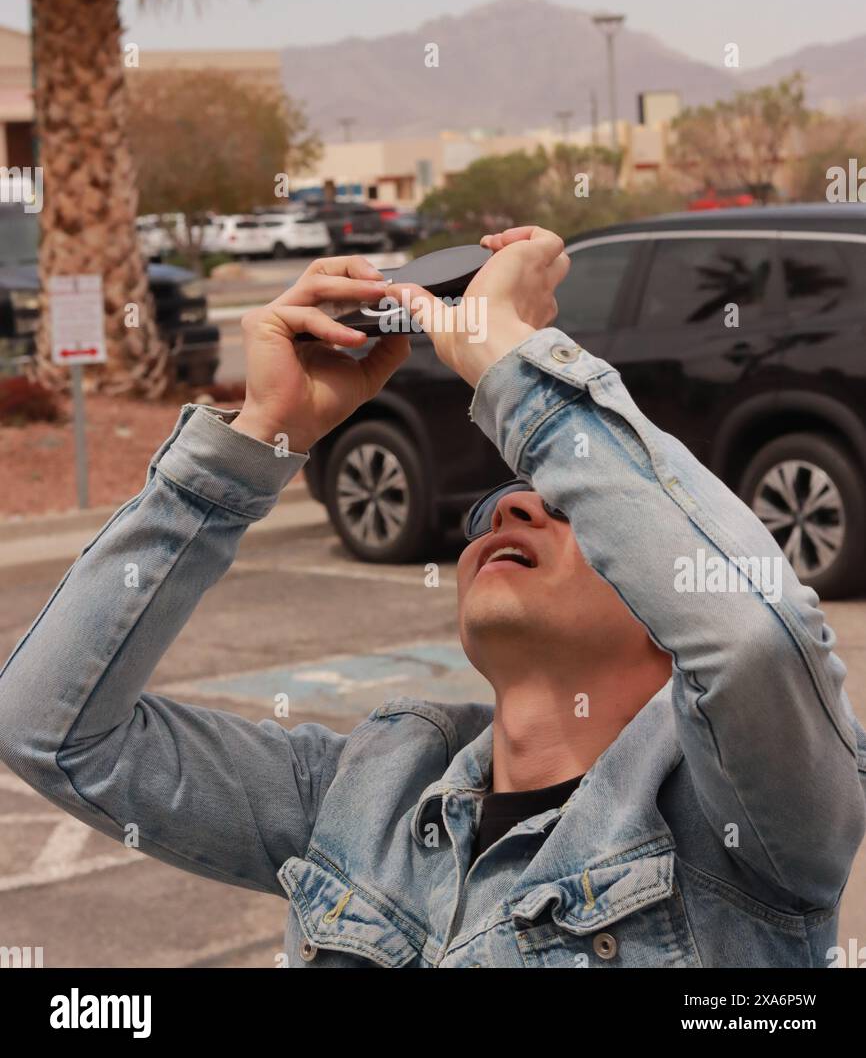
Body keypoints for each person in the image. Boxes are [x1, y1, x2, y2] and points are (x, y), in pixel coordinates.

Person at [0, 226, 863, 969]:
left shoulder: (750, 820)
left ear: (668, 613)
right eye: (495, 508)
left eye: (572, 513)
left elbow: (755, 638)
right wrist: (263, 432)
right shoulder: (359, 794)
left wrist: (505, 356)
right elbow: (51, 728)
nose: (516, 506)